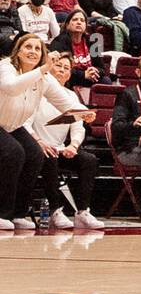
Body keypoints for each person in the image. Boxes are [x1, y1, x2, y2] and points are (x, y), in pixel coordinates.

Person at [0, 34, 83, 229]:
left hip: (12, 126)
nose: (33, 51)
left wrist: (84, 113)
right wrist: (43, 69)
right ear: (18, 51)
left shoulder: (43, 78)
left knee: (36, 155)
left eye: (37, 48)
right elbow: (11, 88)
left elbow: (65, 101)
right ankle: (2, 212)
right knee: (14, 152)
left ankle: (18, 214)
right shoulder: (6, 67)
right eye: (28, 47)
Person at [30, 53, 104, 229]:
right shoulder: (36, 90)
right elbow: (26, 121)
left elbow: (78, 125)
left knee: (89, 160)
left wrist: (74, 145)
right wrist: (39, 142)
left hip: (61, 148)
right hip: (37, 146)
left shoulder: (71, 96)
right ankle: (56, 210)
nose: (62, 70)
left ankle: (82, 212)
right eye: (58, 65)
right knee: (51, 157)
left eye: (66, 68)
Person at [50, 7, 102, 86]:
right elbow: (60, 68)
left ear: (85, 25)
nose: (79, 22)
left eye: (82, 20)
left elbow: (101, 67)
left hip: (90, 77)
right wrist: (83, 74)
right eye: (75, 20)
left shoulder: (93, 41)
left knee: (105, 80)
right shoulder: (59, 41)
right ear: (67, 25)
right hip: (71, 78)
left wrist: (94, 71)